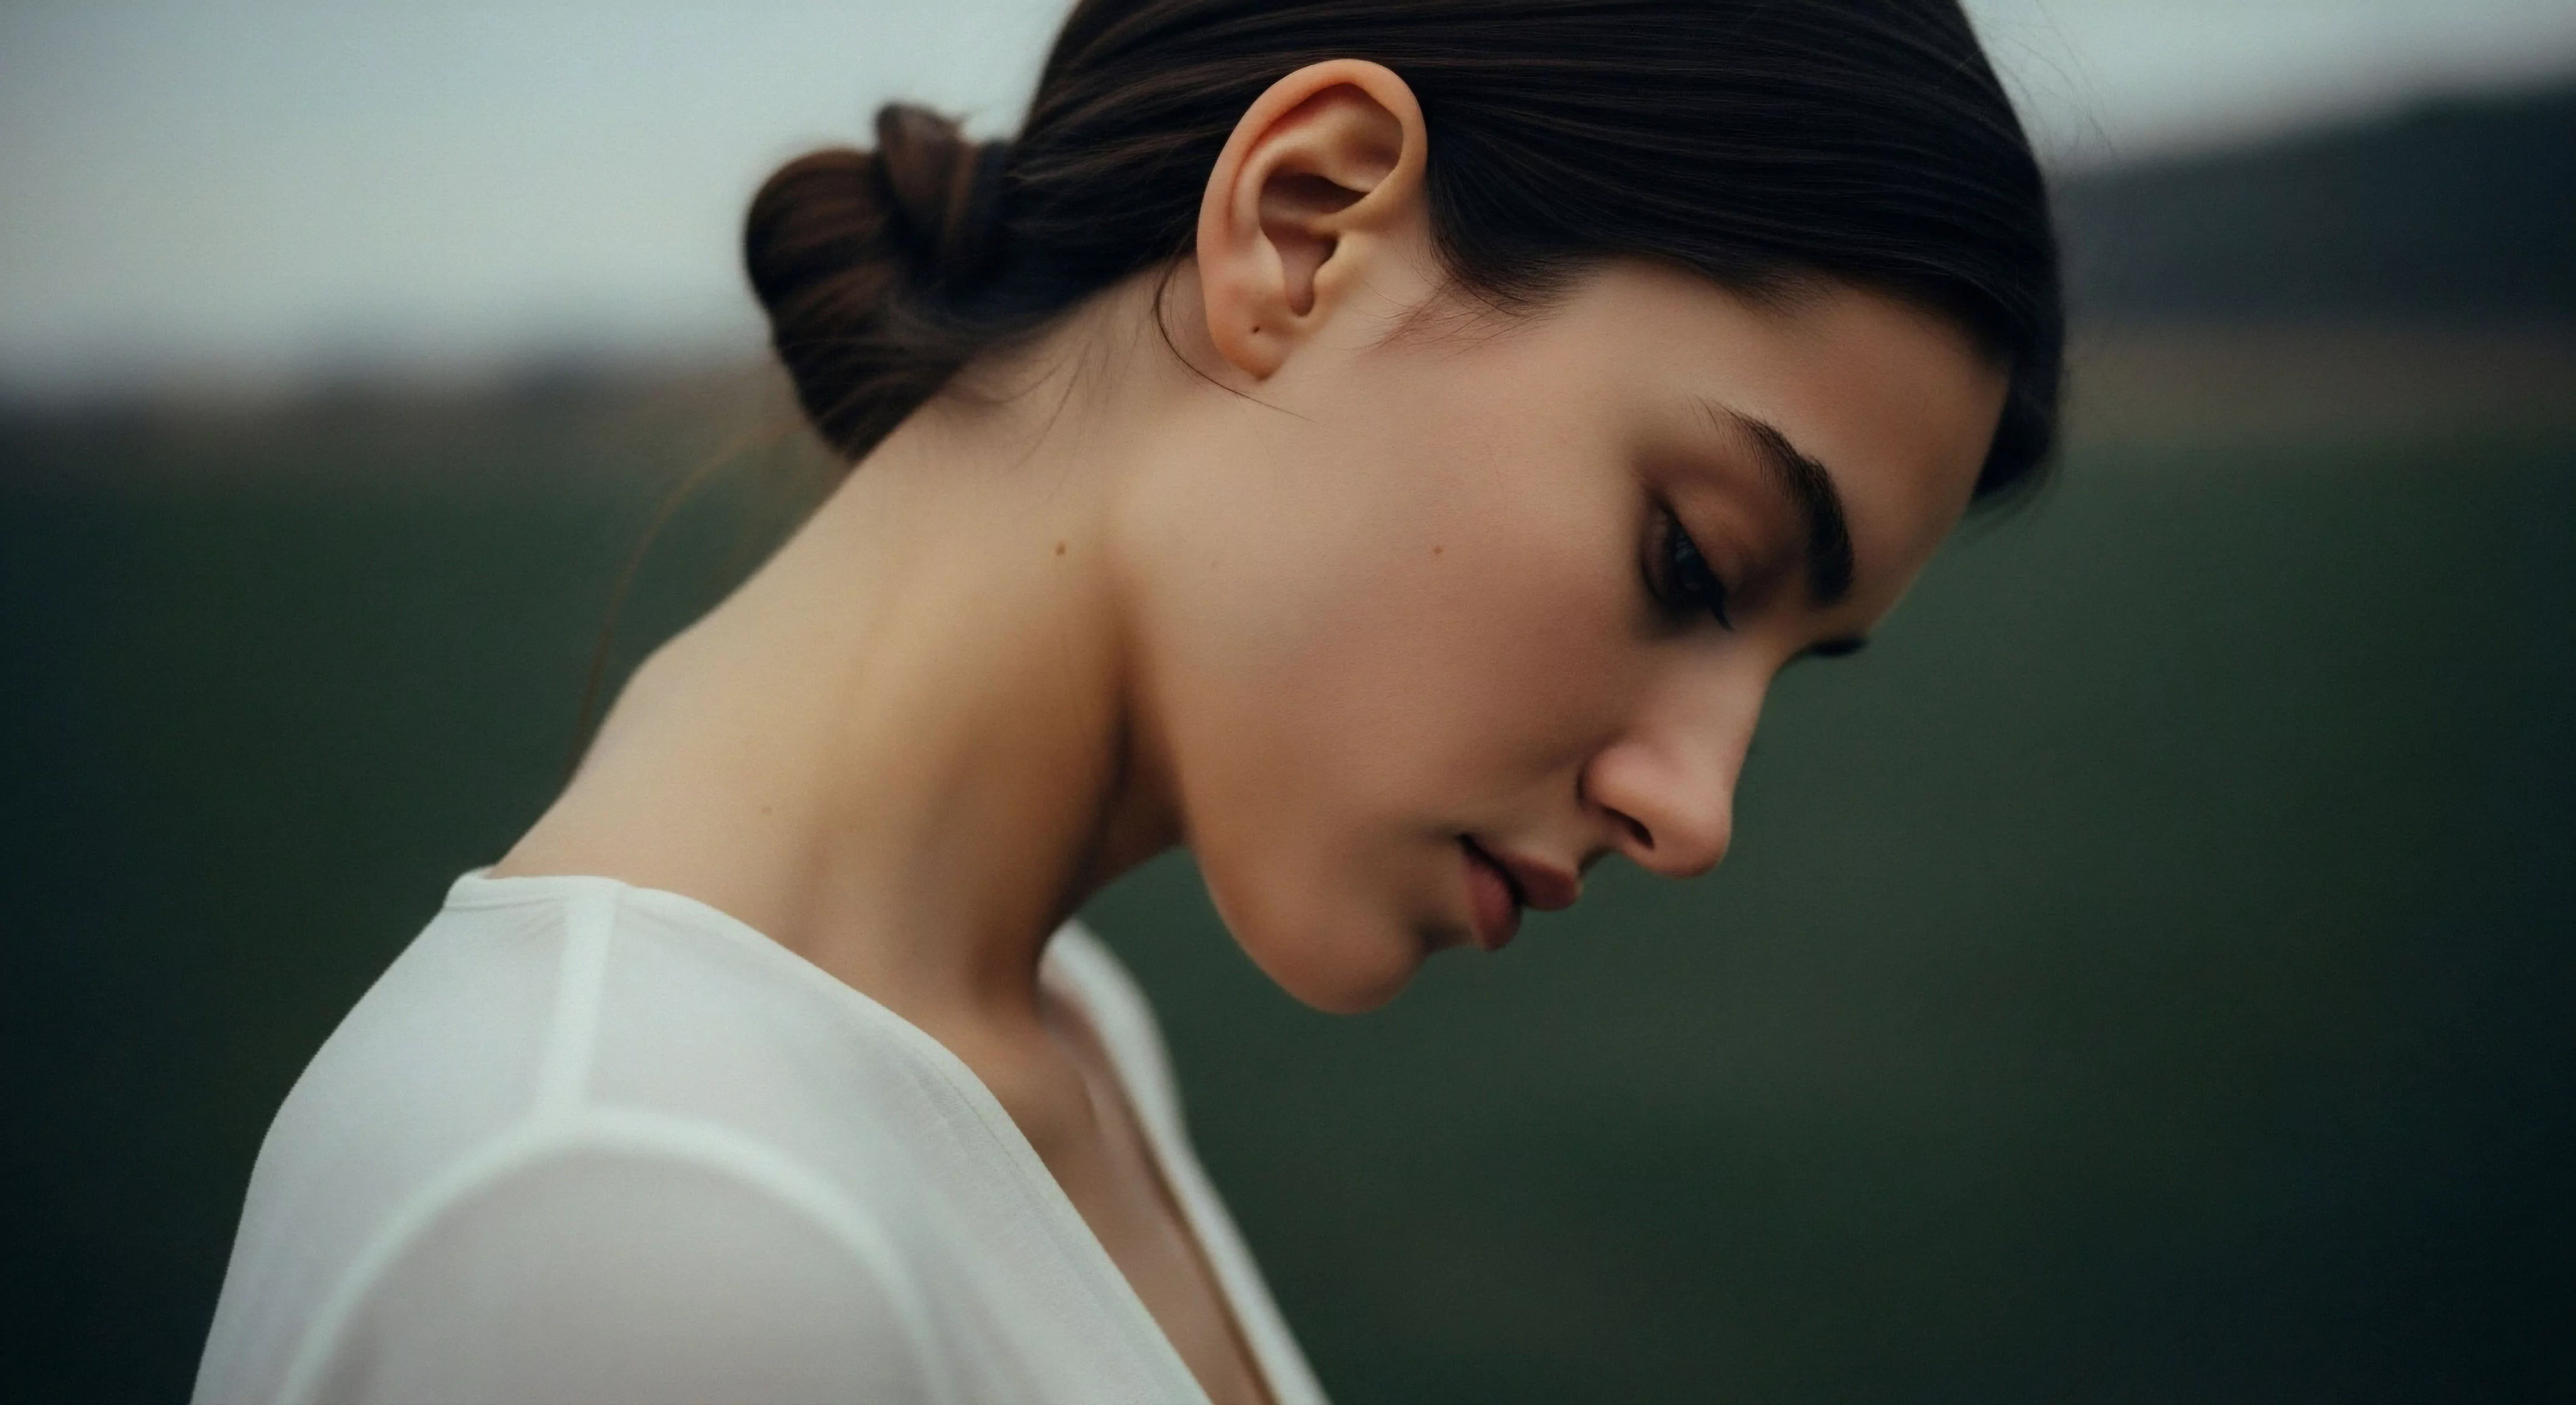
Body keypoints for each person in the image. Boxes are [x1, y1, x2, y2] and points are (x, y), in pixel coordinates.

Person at [193, 1, 2062, 1401]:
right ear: (1307, 227)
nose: (1701, 810)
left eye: (1780, 673)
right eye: (1690, 560)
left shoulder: (1046, 1038)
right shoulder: (625, 1228)